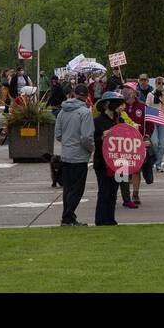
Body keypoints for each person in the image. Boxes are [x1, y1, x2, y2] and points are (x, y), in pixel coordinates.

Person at [54, 84, 94, 226]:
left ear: (74, 93)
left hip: (66, 154)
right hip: (79, 155)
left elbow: (58, 135)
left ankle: (69, 217)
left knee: (68, 189)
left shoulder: (62, 111)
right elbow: (86, 137)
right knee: (77, 189)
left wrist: (67, 141)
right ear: (87, 95)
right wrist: (91, 149)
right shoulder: (85, 112)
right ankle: (67, 217)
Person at [92, 90, 126, 226]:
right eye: (116, 103)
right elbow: (92, 140)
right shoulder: (97, 122)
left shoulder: (121, 120)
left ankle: (110, 219)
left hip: (119, 162)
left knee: (113, 192)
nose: (119, 106)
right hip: (102, 162)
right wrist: (101, 137)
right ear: (107, 104)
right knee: (104, 191)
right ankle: (101, 220)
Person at [147, 78, 164, 171]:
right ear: (155, 84)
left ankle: (158, 164)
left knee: (162, 144)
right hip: (154, 121)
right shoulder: (150, 94)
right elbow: (147, 107)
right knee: (155, 143)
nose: (161, 84)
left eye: (162, 83)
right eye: (159, 83)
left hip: (163, 120)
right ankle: (153, 160)